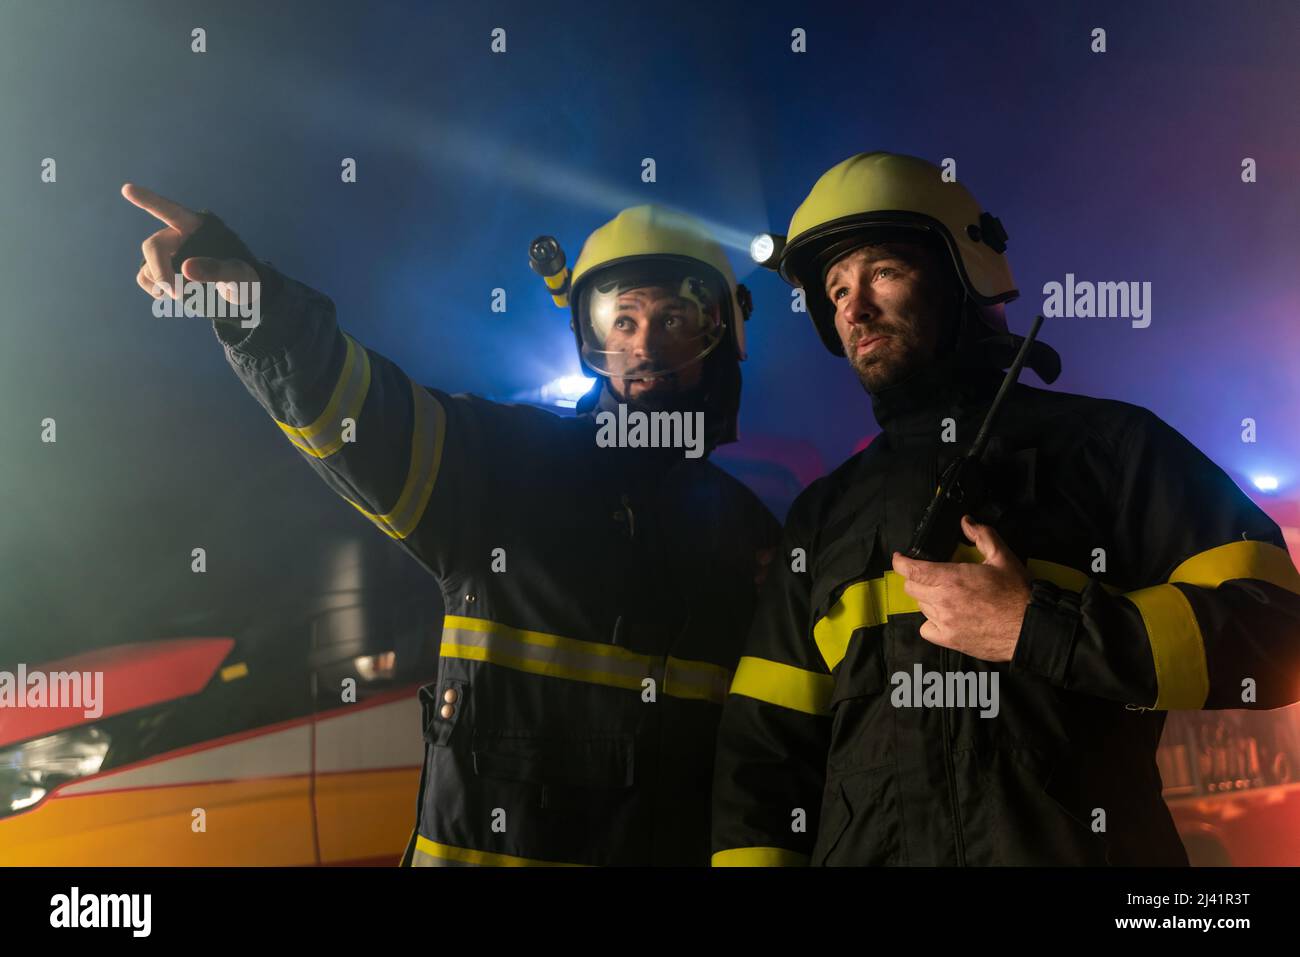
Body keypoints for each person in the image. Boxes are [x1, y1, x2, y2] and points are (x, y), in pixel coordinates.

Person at [124, 187, 779, 866]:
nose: (644, 345)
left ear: (722, 336)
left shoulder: (753, 537)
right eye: (623, 320)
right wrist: (261, 311)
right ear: (591, 338)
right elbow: (360, 416)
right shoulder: (508, 467)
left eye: (674, 319)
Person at [711, 151, 1300, 865]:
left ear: (963, 273)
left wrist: (1042, 628)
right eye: (834, 291)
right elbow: (761, 766)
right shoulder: (821, 516)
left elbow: (1276, 627)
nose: (853, 308)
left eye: (882, 272)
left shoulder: (1111, 448)